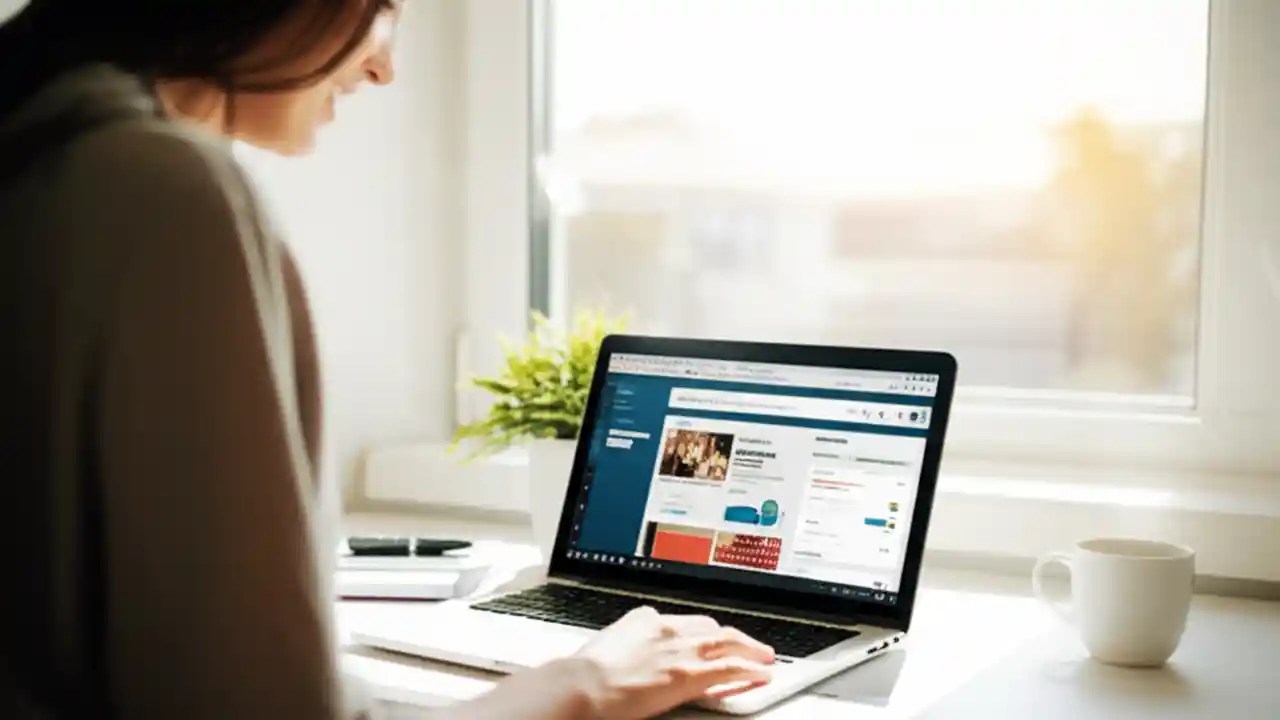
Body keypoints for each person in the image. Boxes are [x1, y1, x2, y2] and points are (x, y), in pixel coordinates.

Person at [0, 2, 774, 718]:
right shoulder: (158, 193)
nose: (384, 67)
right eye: (379, 9)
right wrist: (585, 685)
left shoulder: (44, 159)